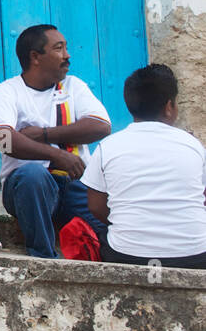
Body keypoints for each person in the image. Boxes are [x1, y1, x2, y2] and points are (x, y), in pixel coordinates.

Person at [0, 24, 110, 258]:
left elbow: (101, 126)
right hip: (28, 189)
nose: (67, 55)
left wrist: (44, 134)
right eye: (58, 48)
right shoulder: (6, 92)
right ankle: (44, 258)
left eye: (66, 48)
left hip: (76, 186)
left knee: (109, 231)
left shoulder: (74, 86)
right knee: (33, 175)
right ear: (35, 57)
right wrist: (54, 154)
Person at [82, 64, 206, 268]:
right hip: (195, 256)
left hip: (127, 255)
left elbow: (95, 206)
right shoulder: (193, 145)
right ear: (169, 107)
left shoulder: (108, 147)